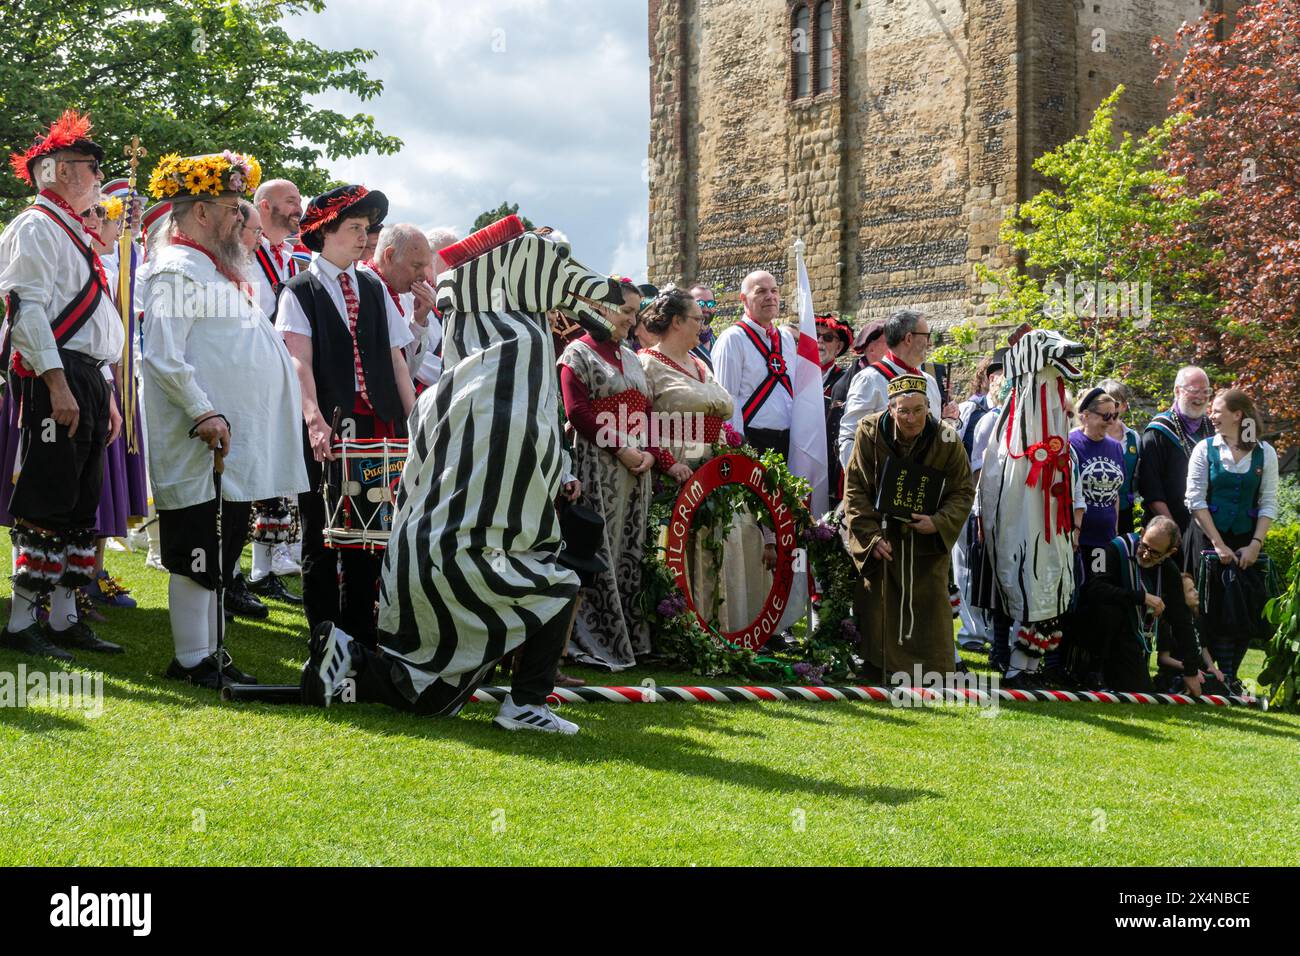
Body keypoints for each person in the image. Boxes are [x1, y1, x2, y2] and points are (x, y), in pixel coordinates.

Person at [300, 221, 627, 733]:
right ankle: (526, 705)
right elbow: (524, 443)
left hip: (423, 555)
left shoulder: (469, 362)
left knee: (428, 699)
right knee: (559, 584)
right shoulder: (511, 358)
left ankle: (351, 657)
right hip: (457, 556)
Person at [140, 150, 308, 687]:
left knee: (221, 542)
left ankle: (210, 651)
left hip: (229, 444)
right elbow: (163, 356)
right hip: (200, 438)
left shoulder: (214, 268)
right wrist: (204, 410)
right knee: (196, 544)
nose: (243, 216)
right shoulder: (174, 269)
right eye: (233, 206)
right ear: (201, 212)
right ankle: (193, 658)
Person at [0, 109, 125, 660]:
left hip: (86, 376)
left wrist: (108, 394)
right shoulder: (35, 226)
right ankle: (23, 619)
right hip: (57, 374)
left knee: (81, 501)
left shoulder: (70, 231)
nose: (97, 176)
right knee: (48, 497)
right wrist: (57, 383)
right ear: (51, 171)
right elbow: (25, 311)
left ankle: (65, 618)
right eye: (87, 166)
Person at [277, 185, 416, 649]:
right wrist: (313, 419)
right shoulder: (299, 289)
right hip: (333, 423)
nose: (364, 238)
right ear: (325, 233)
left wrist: (414, 418)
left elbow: (396, 358)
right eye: (355, 228)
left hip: (379, 421)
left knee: (372, 534)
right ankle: (324, 634)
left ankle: (361, 634)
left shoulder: (373, 285)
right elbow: (298, 359)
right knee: (322, 530)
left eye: (366, 229)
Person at [638, 289, 768, 630]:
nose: (703, 324)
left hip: (713, 464)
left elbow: (721, 414)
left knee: (724, 536)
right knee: (684, 542)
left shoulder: (699, 363)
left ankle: (719, 624)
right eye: (697, 318)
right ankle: (681, 625)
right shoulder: (647, 363)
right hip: (677, 467)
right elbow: (641, 422)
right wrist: (667, 462)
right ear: (677, 321)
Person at [842, 374, 975, 681]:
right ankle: (876, 666)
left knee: (928, 602)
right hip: (883, 535)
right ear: (891, 410)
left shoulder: (946, 439)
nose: (912, 418)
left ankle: (933, 671)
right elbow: (855, 489)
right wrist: (871, 537)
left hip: (925, 540)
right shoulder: (869, 432)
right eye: (904, 411)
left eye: (918, 410)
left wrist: (939, 522)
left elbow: (963, 490)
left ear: (929, 408)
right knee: (877, 602)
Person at [558, 277, 655, 669]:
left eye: (635, 312)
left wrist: (646, 452)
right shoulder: (577, 354)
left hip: (635, 471)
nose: (633, 321)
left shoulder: (631, 356)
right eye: (627, 312)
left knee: (628, 553)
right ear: (600, 307)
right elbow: (577, 412)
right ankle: (589, 638)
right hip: (597, 464)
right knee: (598, 552)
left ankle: (631, 637)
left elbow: (646, 411)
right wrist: (622, 448)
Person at [1186, 388, 1279, 687]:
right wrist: (1217, 542)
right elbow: (1195, 499)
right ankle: (1208, 674)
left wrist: (1255, 544)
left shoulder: (1265, 453)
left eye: (1217, 410)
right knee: (1208, 608)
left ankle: (1231, 676)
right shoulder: (1205, 449)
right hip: (1206, 537)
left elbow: (1268, 502)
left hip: (1245, 541)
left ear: (1238, 415)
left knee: (1243, 609)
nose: (1211, 415)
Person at [82, 196, 148, 612]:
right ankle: (64, 577)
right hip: (93, 376)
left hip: (117, 377)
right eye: (120, 216)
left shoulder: (127, 256)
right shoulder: (86, 260)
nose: (127, 224)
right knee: (85, 481)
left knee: (109, 478)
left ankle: (94, 570)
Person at [247, 178, 307, 593]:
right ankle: (241, 571)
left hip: (283, 370)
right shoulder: (246, 255)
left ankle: (265, 569)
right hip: (253, 366)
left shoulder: (289, 258)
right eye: (290, 201)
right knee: (252, 466)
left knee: (276, 471)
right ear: (265, 207)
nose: (298, 208)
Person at [1080, 515, 1204, 694]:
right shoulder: (1116, 548)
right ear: (1142, 533)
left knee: (1141, 690)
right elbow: (1094, 589)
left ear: (1170, 552)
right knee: (1108, 609)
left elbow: (1182, 621)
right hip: (1096, 629)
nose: (1146, 554)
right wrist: (1141, 597)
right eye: (1144, 546)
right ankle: (1093, 672)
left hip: (1129, 639)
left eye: (1155, 553)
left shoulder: (1169, 571)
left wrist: (1191, 671)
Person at [837, 309, 959, 472]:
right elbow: (850, 438)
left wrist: (951, 423)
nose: (929, 343)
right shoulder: (870, 379)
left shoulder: (929, 381)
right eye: (926, 336)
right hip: (883, 487)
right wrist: (867, 486)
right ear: (909, 338)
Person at [712, 270, 796, 458]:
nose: (770, 297)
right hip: (752, 440)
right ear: (743, 299)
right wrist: (737, 447)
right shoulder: (732, 339)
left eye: (774, 291)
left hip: (789, 440)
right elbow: (727, 398)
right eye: (761, 291)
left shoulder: (786, 338)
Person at [953, 350, 1004, 652]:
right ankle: (972, 633)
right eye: (996, 373)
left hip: (1000, 502)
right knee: (967, 567)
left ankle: (996, 632)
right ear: (987, 377)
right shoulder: (971, 410)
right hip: (967, 498)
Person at [1138, 365, 1213, 559]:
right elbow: (1151, 488)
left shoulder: (1212, 428)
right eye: (1194, 391)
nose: (1201, 397)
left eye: (1206, 392)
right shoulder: (1157, 432)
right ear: (1177, 391)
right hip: (1170, 530)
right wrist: (1173, 531)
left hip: (1208, 528)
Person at [361, 223, 439, 391]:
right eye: (416, 266)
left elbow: (406, 372)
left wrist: (418, 321)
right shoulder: (361, 289)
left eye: (424, 267)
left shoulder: (401, 292)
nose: (423, 276)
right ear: (389, 256)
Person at [827, 319, 884, 505]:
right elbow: (842, 433)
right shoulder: (849, 382)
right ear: (871, 348)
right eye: (889, 341)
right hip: (855, 467)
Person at [1099, 378, 1141, 534]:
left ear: (1124, 406)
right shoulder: (1091, 437)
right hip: (1095, 512)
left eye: (1115, 404)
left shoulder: (1133, 437)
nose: (1110, 409)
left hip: (1125, 512)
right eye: (1105, 403)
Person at [687, 283, 717, 369]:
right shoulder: (681, 344)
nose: (706, 308)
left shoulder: (717, 342)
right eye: (700, 303)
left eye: (710, 303)